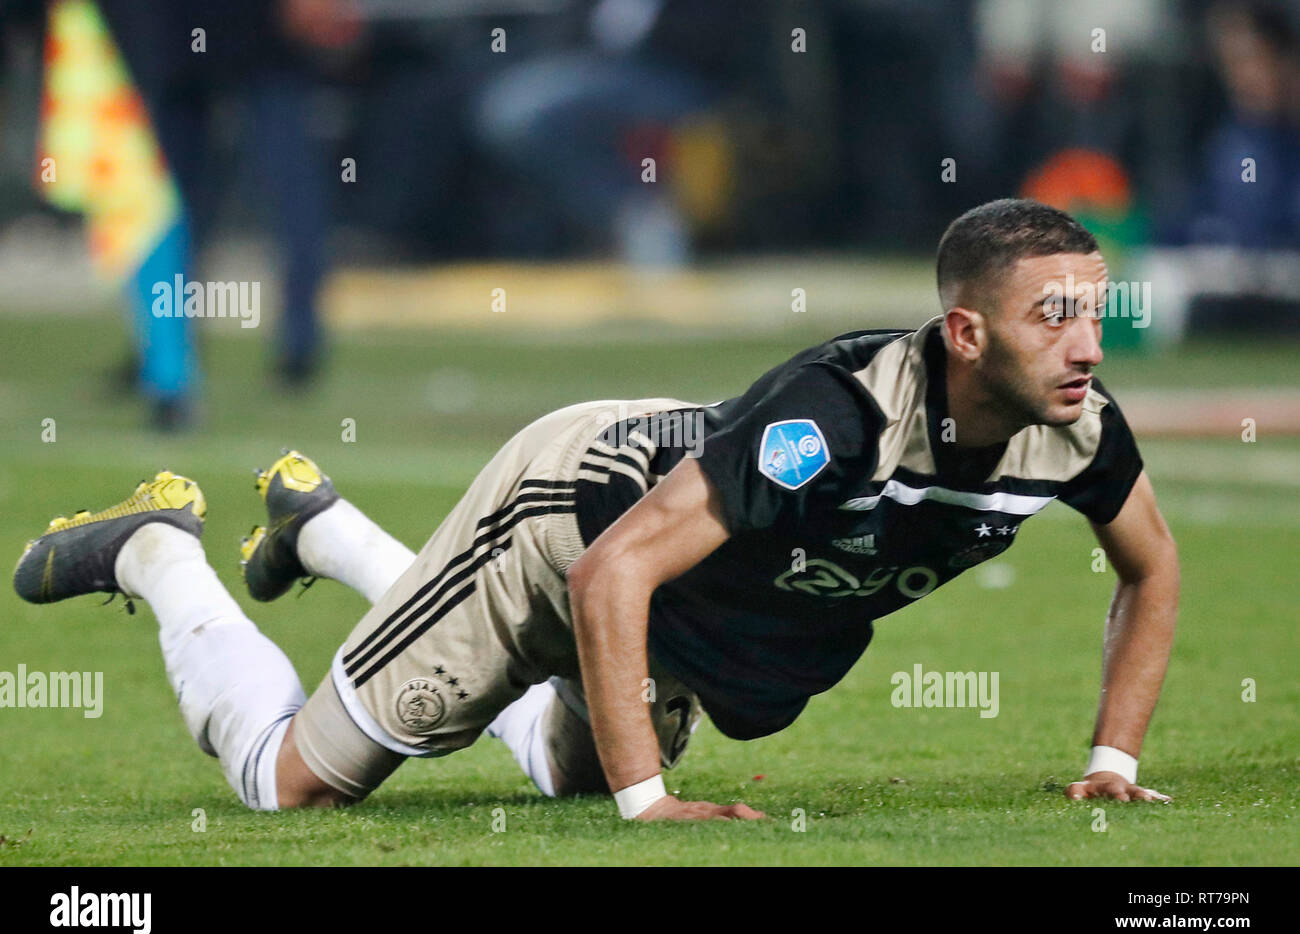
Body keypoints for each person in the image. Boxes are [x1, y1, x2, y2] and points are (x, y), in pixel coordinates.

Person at [13, 199, 1178, 821]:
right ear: (965, 333)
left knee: (565, 772)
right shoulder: (834, 418)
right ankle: (160, 551)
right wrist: (650, 801)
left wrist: (1112, 758)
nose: (1084, 344)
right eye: (1051, 316)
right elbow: (607, 573)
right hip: (564, 523)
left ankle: (323, 528)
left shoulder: (1076, 424)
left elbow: (1151, 566)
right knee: (290, 783)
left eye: (1091, 309)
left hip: (669, 577)